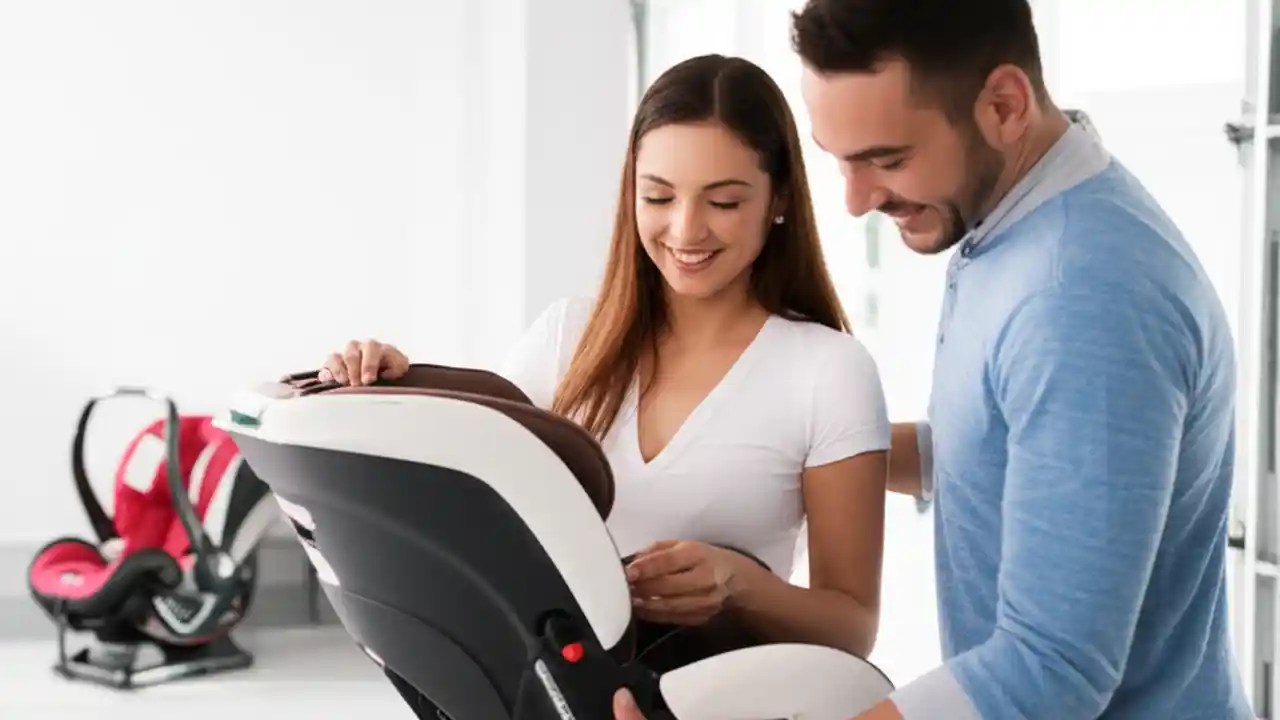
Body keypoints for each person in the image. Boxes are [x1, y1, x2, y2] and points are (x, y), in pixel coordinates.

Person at [613, 0, 1255, 718]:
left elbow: (1050, 668)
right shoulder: (1022, 225)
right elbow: (1023, 446)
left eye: (887, 159)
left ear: (1004, 105)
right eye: (840, 160)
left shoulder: (1079, 297)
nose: (856, 201)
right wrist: (814, 444)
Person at [321, 54, 893, 672]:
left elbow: (852, 628)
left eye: (724, 202)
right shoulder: (567, 335)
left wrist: (738, 583)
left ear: (778, 198)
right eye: (658, 196)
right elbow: (472, 475)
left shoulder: (829, 371)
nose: (686, 230)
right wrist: (388, 383)